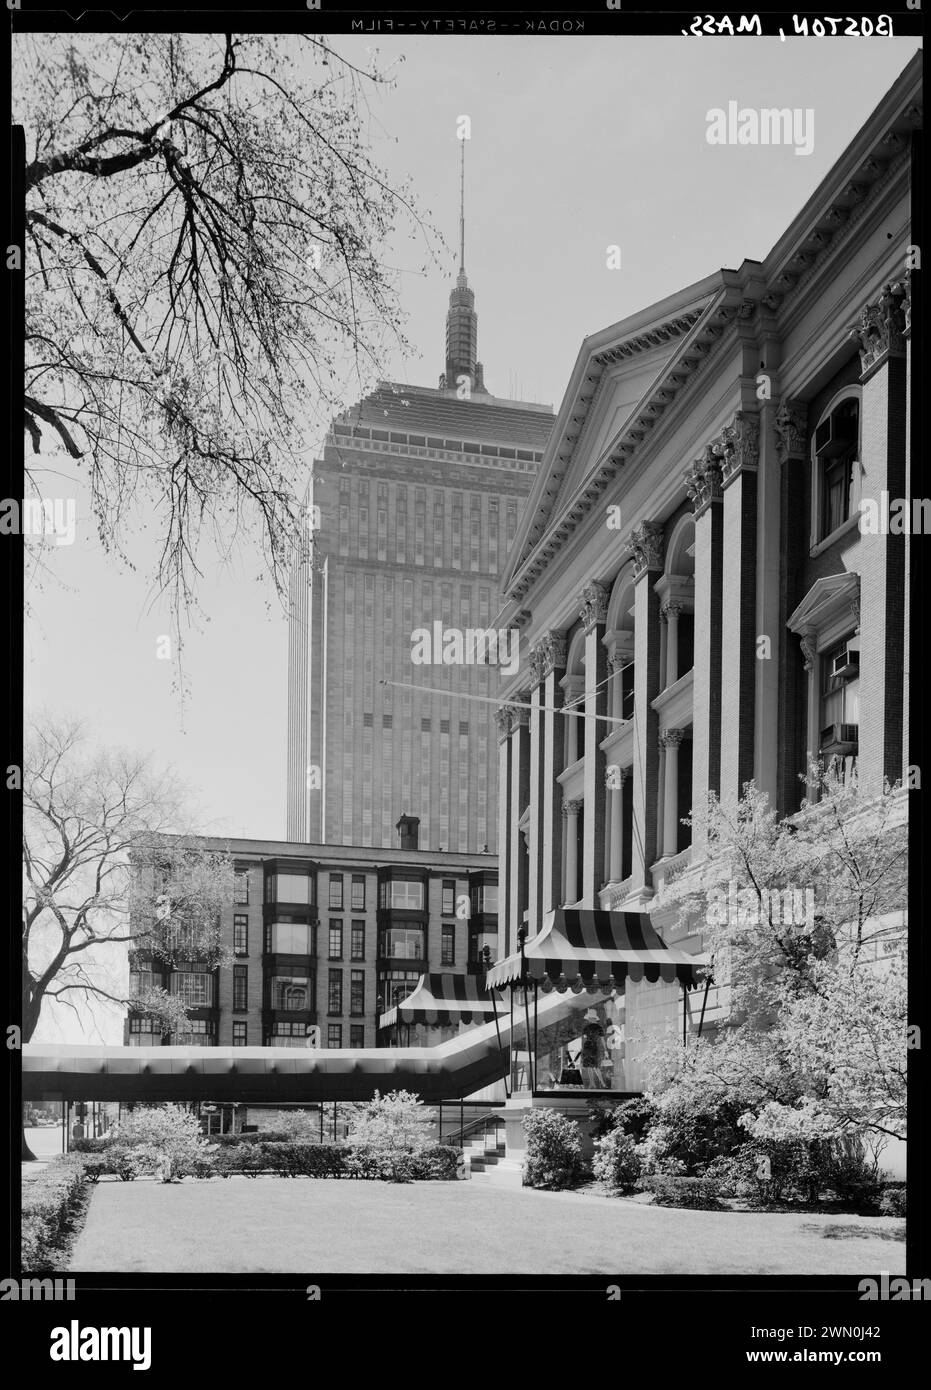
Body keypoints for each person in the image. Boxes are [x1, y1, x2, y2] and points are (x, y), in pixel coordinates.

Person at [579, 1008, 606, 1088]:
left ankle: (595, 1083)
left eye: (589, 1018)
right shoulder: (599, 1027)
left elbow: (584, 1038)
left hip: (588, 1046)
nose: (589, 1019)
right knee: (594, 1066)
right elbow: (602, 1040)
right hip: (593, 1046)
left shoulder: (587, 1027)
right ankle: (599, 1083)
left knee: (591, 1066)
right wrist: (605, 1050)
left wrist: (582, 1049)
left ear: (592, 1018)